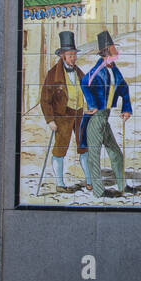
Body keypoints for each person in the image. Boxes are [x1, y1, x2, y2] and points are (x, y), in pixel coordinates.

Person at [80, 31, 131, 199]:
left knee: (116, 153)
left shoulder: (114, 70)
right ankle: (99, 191)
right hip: (96, 119)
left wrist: (126, 108)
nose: (117, 51)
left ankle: (123, 186)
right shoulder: (98, 69)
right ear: (107, 51)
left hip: (105, 118)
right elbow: (84, 83)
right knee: (94, 155)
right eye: (113, 48)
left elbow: (124, 88)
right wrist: (93, 105)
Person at [40, 31, 91, 193]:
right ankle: (60, 184)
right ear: (62, 55)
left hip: (79, 114)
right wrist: (50, 120)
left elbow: (87, 89)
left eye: (74, 54)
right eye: (70, 55)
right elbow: (45, 100)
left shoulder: (78, 71)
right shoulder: (52, 75)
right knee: (60, 149)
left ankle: (89, 181)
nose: (73, 58)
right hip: (63, 116)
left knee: (84, 147)